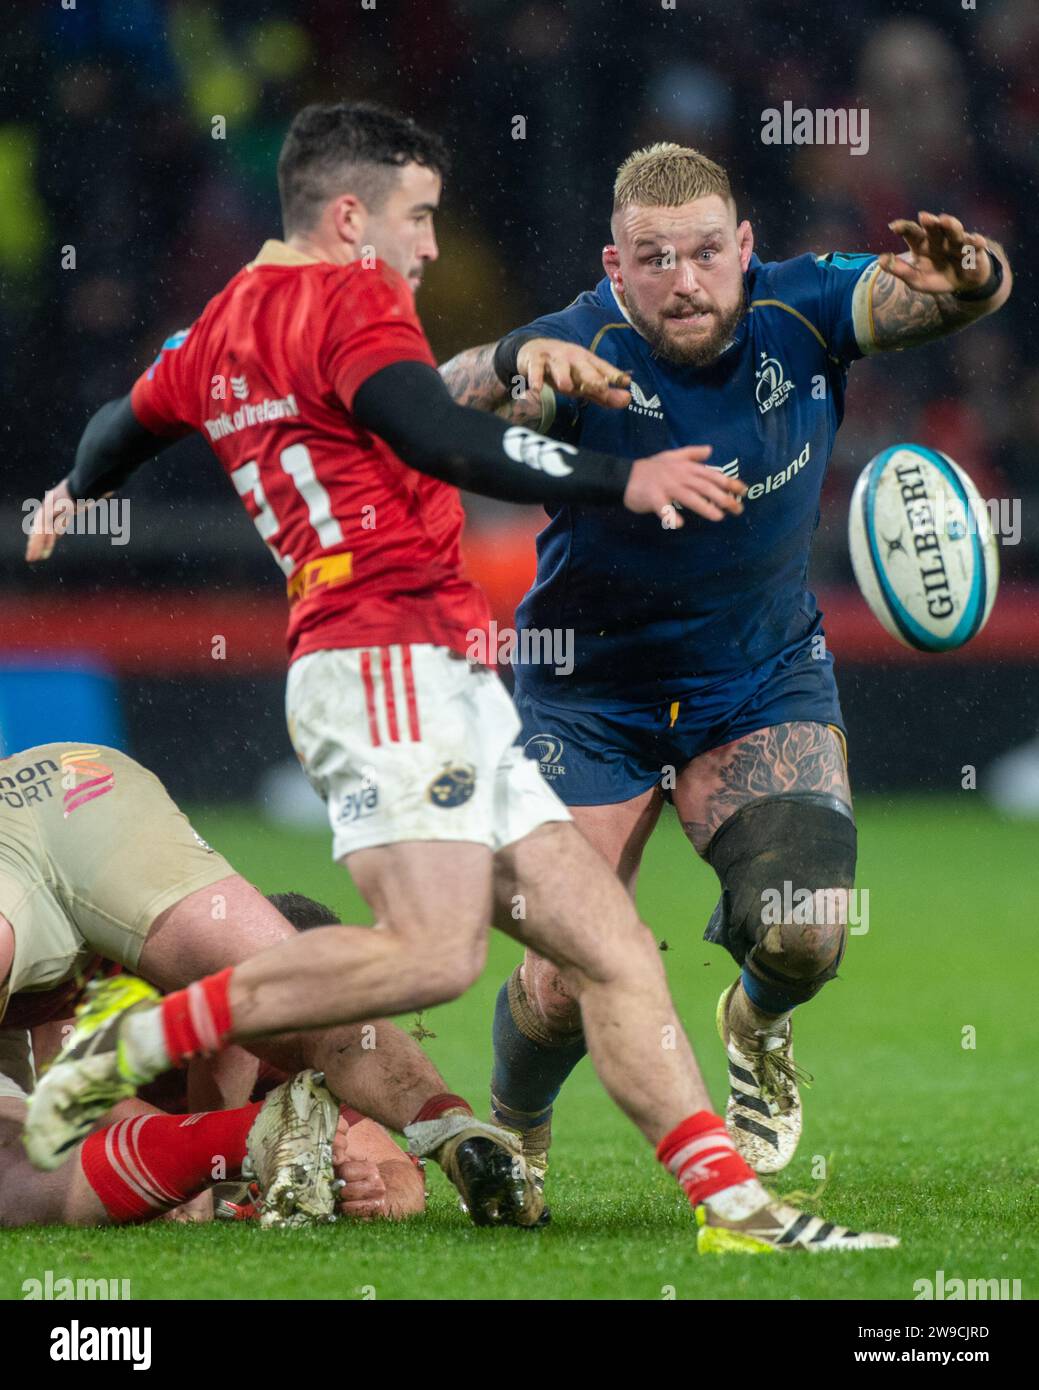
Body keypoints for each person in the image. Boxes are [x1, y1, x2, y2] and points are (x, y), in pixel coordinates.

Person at [25, 105, 893, 1252]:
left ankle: (735, 1210)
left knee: (612, 947)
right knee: (435, 954)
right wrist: (617, 480)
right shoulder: (347, 300)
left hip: (433, 675)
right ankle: (139, 1043)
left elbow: (122, 419)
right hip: (380, 664)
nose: (430, 247)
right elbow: (443, 436)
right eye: (417, 217)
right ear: (350, 218)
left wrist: (72, 489)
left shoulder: (226, 320)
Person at [438, 141, 1012, 1181]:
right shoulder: (578, 346)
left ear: (744, 248)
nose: (685, 279)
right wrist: (511, 367)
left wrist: (971, 274)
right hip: (588, 698)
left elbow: (949, 293)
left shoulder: (801, 312)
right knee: (568, 981)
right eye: (654, 259)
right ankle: (516, 1119)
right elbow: (431, 409)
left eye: (706, 251)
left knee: (805, 932)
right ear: (615, 267)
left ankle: (754, 1023)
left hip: (758, 681)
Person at [0, 743, 524, 1226]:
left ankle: (443, 1129)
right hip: (88, 782)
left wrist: (378, 1188)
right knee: (304, 1000)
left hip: (56, 791)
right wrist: (215, 1163)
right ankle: (450, 1123)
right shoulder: (157, 973)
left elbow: (389, 1165)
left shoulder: (166, 987)